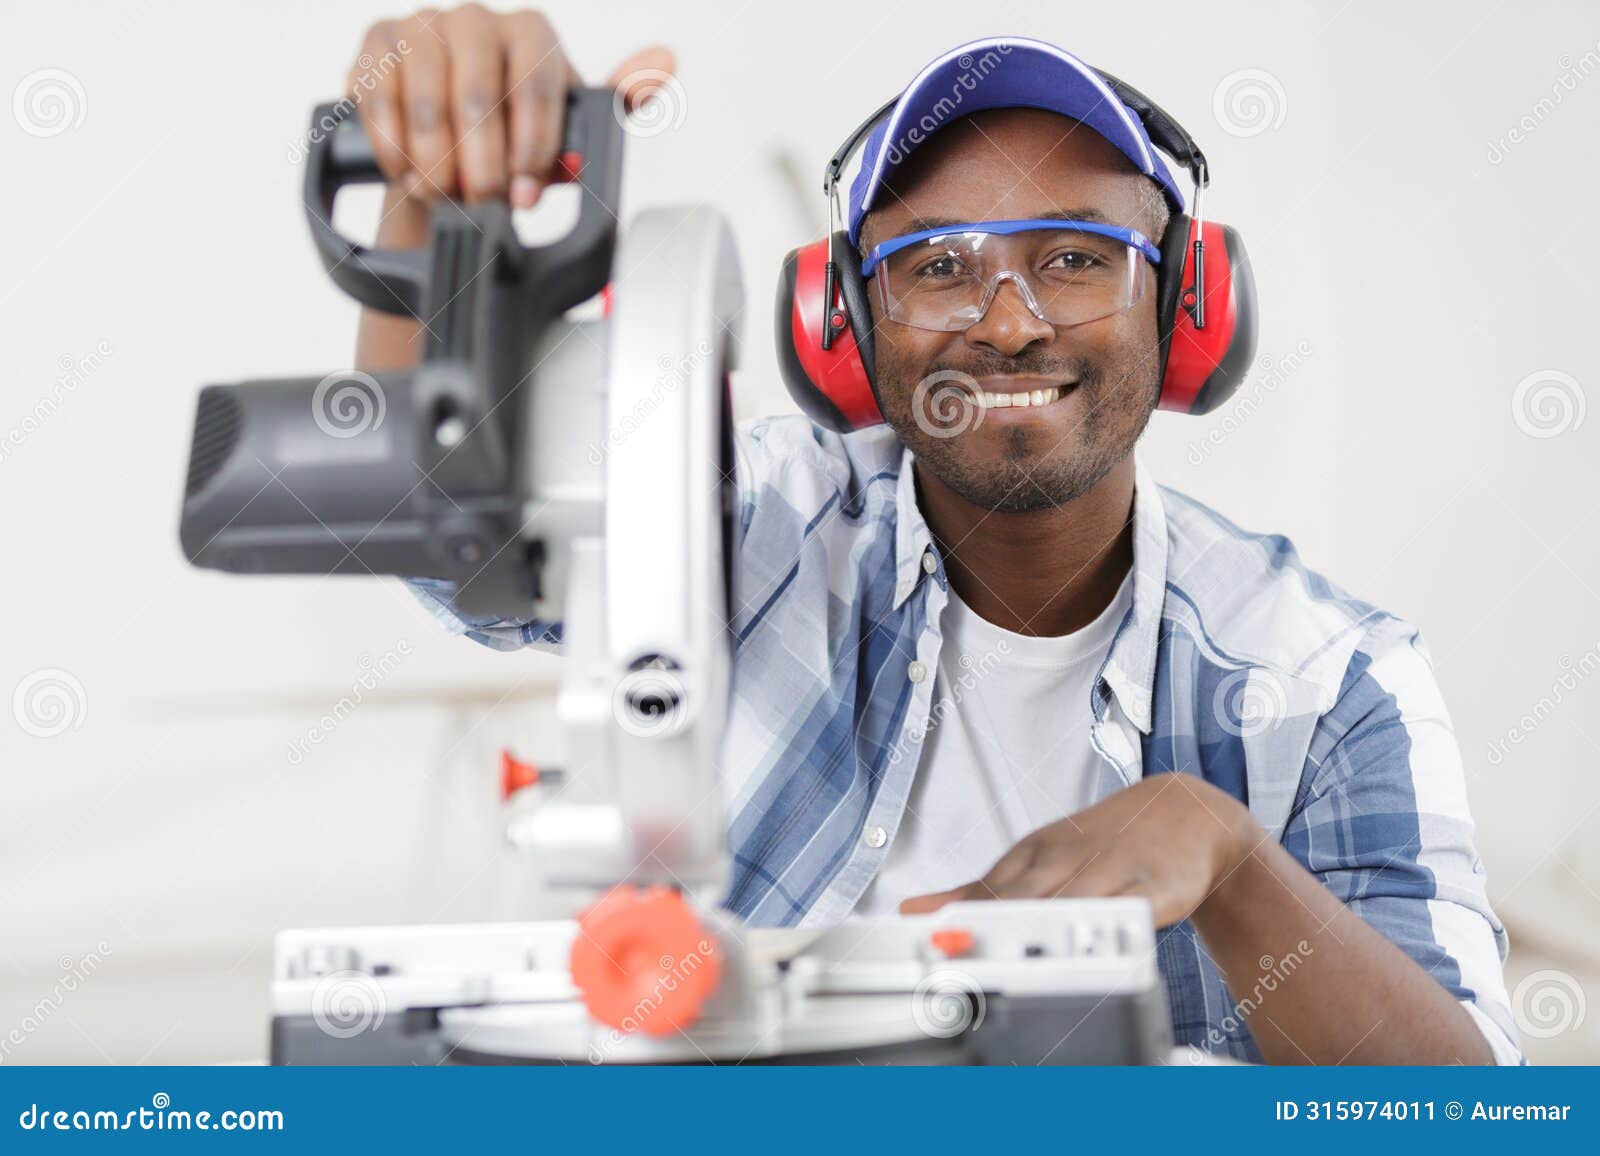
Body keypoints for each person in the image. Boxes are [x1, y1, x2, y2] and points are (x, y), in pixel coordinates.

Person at [349, 5, 1519, 1065]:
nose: (1006, 324)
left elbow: (1468, 1117)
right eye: (936, 266)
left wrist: (1227, 857)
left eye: (1071, 258)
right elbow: (453, 550)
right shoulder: (746, 523)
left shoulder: (1328, 682)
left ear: (1188, 307)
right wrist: (434, 195)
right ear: (840, 327)